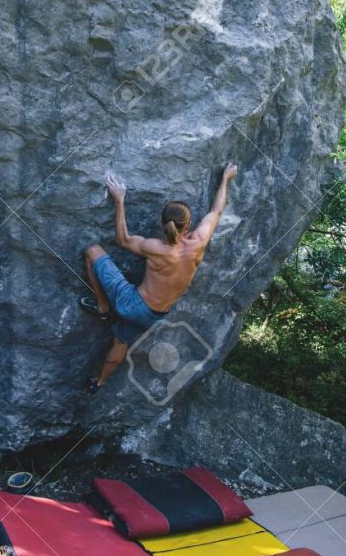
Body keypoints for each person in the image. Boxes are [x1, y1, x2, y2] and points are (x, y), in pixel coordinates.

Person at [81, 163, 238, 393]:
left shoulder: (156, 247)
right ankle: (98, 383)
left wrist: (120, 200)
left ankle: (103, 307)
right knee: (120, 342)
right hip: (154, 317)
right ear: (189, 224)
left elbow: (123, 239)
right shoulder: (199, 242)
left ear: (163, 224)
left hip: (131, 303)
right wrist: (225, 178)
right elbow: (216, 211)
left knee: (92, 251)